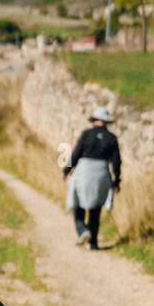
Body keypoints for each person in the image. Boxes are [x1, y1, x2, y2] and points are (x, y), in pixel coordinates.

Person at [62, 106, 121, 249]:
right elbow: (116, 161)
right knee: (95, 208)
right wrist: (116, 180)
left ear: (94, 120)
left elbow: (75, 154)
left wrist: (66, 170)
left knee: (78, 204)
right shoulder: (112, 138)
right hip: (101, 174)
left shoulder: (86, 134)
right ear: (106, 122)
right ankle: (93, 243)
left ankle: (83, 230)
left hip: (84, 172)